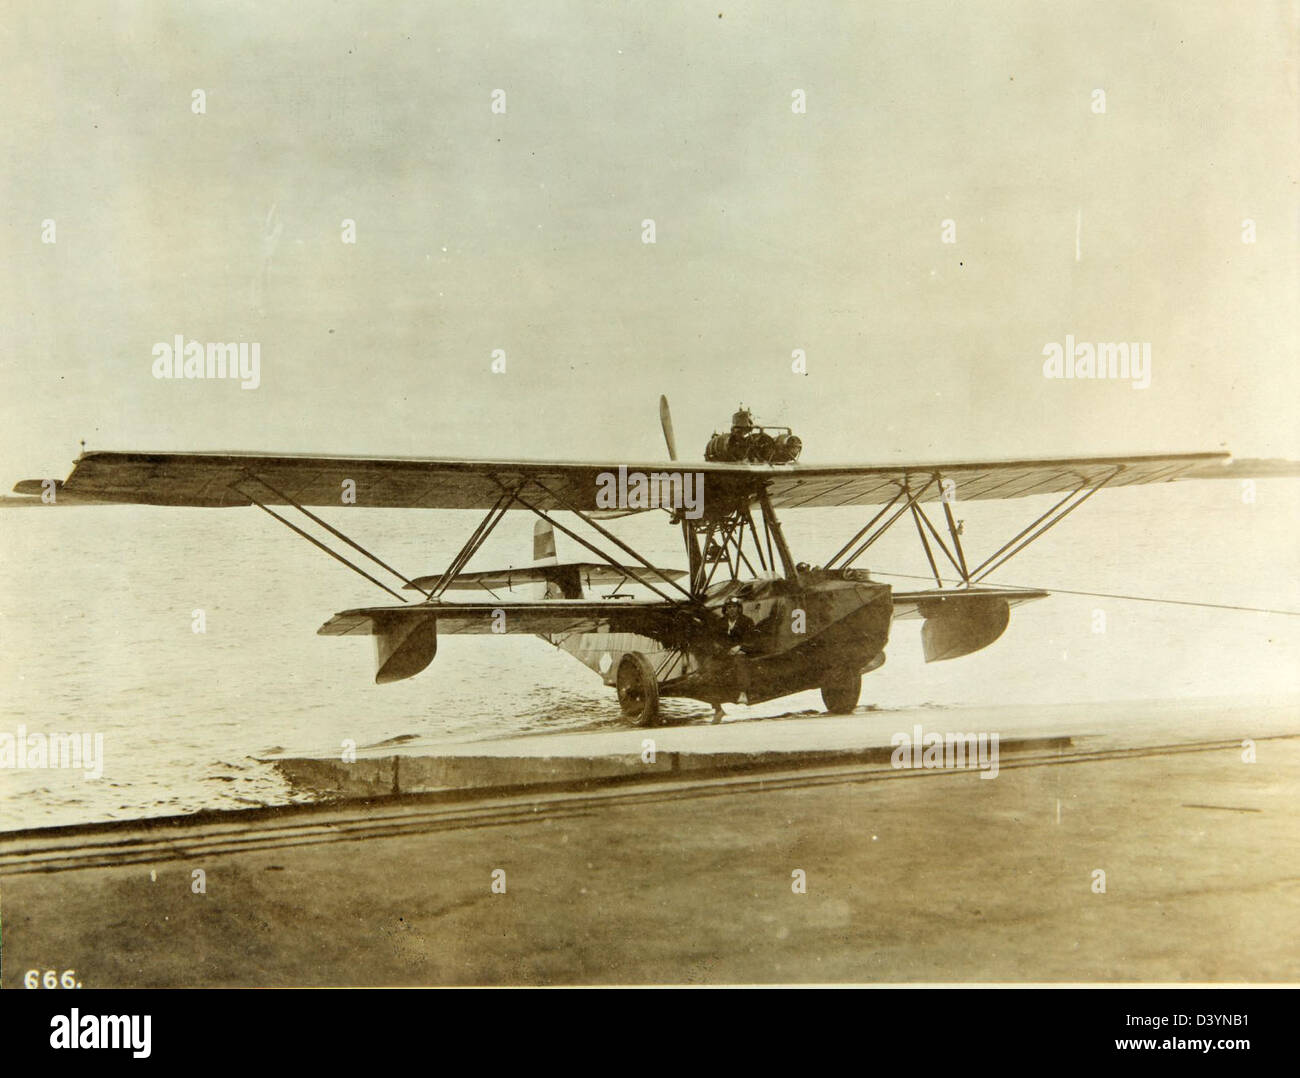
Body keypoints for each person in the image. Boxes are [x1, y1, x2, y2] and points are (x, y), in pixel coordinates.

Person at [712, 596, 757, 723]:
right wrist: (724, 650)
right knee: (712, 669)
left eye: (734, 607)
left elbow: (752, 640)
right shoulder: (720, 623)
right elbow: (716, 640)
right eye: (729, 607)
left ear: (739, 609)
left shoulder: (747, 621)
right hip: (725, 654)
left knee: (740, 660)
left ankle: (743, 692)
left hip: (742, 651)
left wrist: (740, 647)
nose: (731, 610)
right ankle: (717, 707)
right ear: (725, 609)